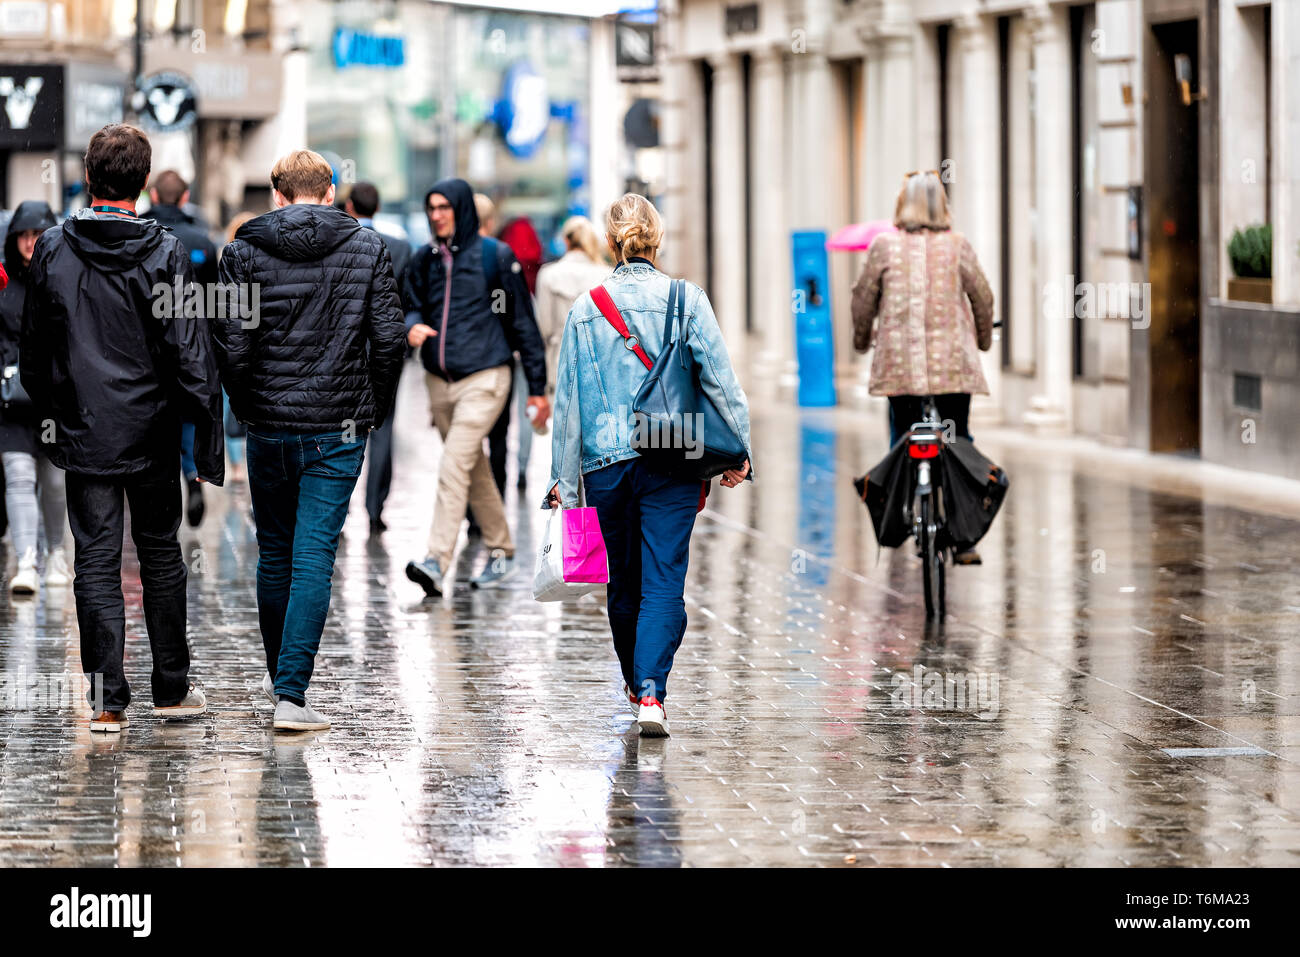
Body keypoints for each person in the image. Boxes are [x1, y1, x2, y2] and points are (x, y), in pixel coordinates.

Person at [21, 123, 223, 732]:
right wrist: (203, 424)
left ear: (89, 175)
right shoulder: (164, 251)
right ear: (141, 180)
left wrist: (58, 407)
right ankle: (170, 689)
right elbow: (190, 348)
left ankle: (107, 702)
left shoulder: (55, 247)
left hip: (86, 429)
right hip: (151, 429)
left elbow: (37, 346)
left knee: (97, 559)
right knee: (161, 557)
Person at [546, 194, 753, 737]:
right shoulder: (688, 299)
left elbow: (567, 404)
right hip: (674, 454)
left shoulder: (586, 307)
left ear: (610, 242)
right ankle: (653, 695)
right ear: (656, 240)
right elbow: (721, 383)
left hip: (606, 463)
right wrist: (738, 451)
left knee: (624, 583)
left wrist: (564, 486)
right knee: (665, 579)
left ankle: (636, 683)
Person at [214, 150, 405, 732]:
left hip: (269, 425)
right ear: (330, 192)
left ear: (276, 193)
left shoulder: (240, 252)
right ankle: (291, 695)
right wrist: (374, 405)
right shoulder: (368, 248)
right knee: (314, 555)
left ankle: (283, 684)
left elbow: (231, 343)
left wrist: (248, 408)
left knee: (274, 553)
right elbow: (390, 338)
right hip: (338, 426)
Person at [403, 178, 549, 597]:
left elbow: (523, 322)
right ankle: (501, 548)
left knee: (452, 464)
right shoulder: (424, 260)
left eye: (444, 207)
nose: (436, 215)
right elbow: (409, 304)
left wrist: (537, 389)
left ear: (462, 209)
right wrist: (412, 327)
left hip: (487, 378)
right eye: (431, 207)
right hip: (438, 381)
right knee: (472, 466)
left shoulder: (495, 257)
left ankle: (436, 560)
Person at [850, 170, 994, 565]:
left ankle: (899, 512)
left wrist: (862, 340)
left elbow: (863, 300)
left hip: (901, 369)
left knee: (902, 437)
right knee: (958, 438)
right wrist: (982, 340)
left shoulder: (884, 247)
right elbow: (982, 297)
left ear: (902, 205)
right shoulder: (957, 245)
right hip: (953, 368)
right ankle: (964, 539)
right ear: (942, 207)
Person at [143, 170, 219, 527]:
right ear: (185, 197)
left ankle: (162, 487)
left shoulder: (139, 234)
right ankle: (192, 476)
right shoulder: (201, 239)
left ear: (153, 196)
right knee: (189, 417)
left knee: (155, 422)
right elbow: (217, 303)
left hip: (146, 351)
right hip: (192, 347)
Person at [0, 200, 68, 595]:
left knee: (54, 482)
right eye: (24, 235)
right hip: (11, 400)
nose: (30, 242)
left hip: (52, 400)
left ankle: (56, 553)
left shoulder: (62, 276)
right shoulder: (5, 281)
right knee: (19, 476)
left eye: (38, 234)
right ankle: (27, 560)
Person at [345, 181, 411, 534]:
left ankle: (338, 505)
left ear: (350, 205)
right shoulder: (400, 247)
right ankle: (374, 508)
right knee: (383, 429)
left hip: (347, 353)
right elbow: (409, 302)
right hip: (387, 350)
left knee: (342, 430)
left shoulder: (340, 243)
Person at [535, 216, 610, 399]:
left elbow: (543, 327)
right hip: (600, 362)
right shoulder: (607, 275)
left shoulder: (548, 274)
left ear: (566, 241)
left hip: (560, 360)